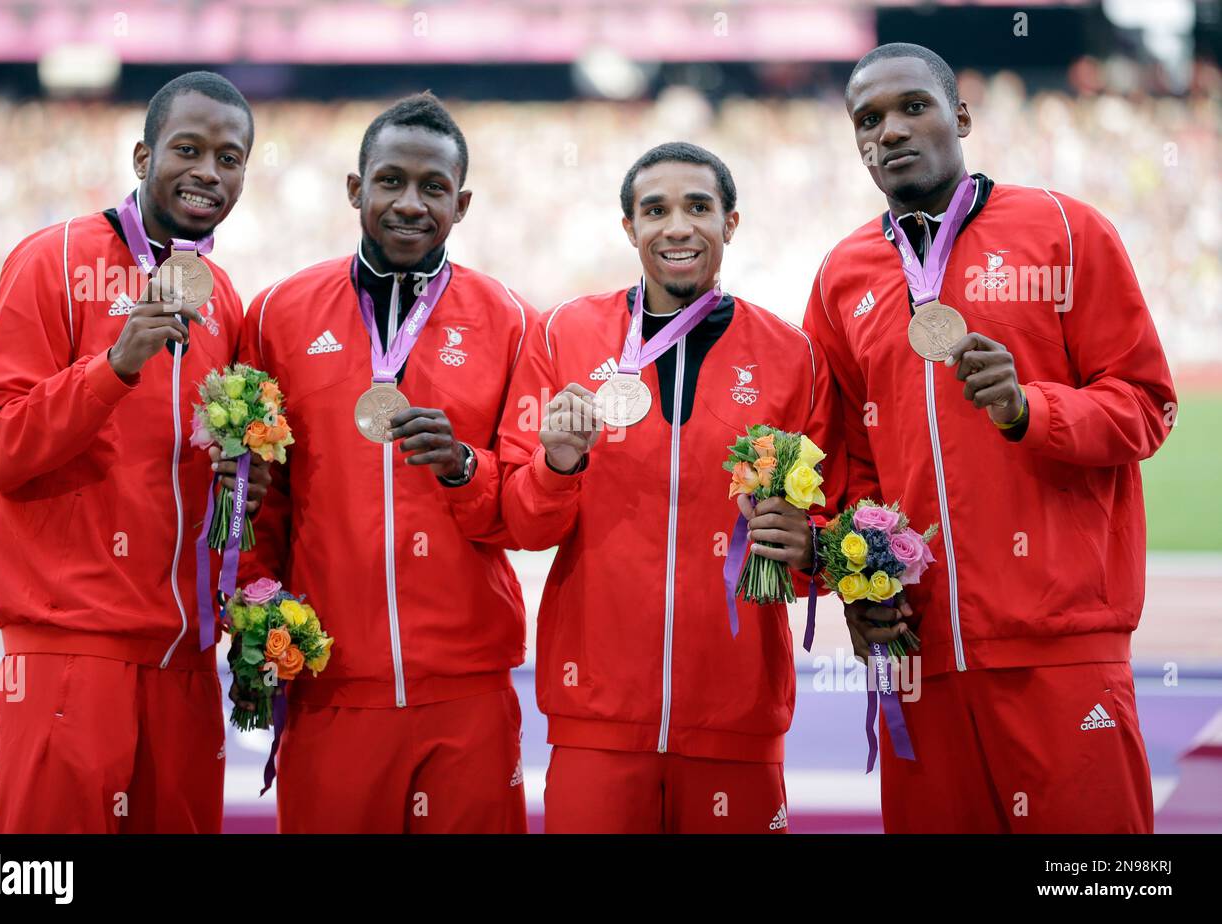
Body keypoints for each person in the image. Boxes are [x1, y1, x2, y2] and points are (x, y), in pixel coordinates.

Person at [803, 43, 1176, 833]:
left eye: (913, 107)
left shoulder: (1066, 231)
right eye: (867, 121)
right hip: (919, 652)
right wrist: (857, 587)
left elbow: (1146, 405)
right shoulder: (842, 276)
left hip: (1060, 642)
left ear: (961, 116)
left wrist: (1029, 412)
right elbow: (846, 468)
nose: (890, 132)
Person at [498, 142, 844, 833]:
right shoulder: (563, 334)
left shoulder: (793, 356)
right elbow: (524, 526)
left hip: (737, 719)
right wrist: (556, 467)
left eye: (698, 207)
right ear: (629, 228)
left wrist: (812, 552)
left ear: (731, 222)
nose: (677, 227)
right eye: (655, 210)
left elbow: (830, 546)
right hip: (595, 717)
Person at [0, 71, 268, 833]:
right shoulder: (54, 257)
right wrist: (111, 370)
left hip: (186, 661)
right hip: (72, 651)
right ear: (142, 156)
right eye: (188, 149)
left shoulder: (224, 297)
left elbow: (207, 473)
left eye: (229, 159)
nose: (208, 172)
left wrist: (240, 487)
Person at [239, 92, 537, 833]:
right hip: (330, 683)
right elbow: (257, 497)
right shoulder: (278, 314)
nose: (411, 203)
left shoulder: (510, 319)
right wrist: (259, 610)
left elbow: (532, 508)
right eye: (390, 181)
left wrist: (466, 466)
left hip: (468, 689)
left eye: (433, 188)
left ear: (461, 203)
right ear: (355, 189)